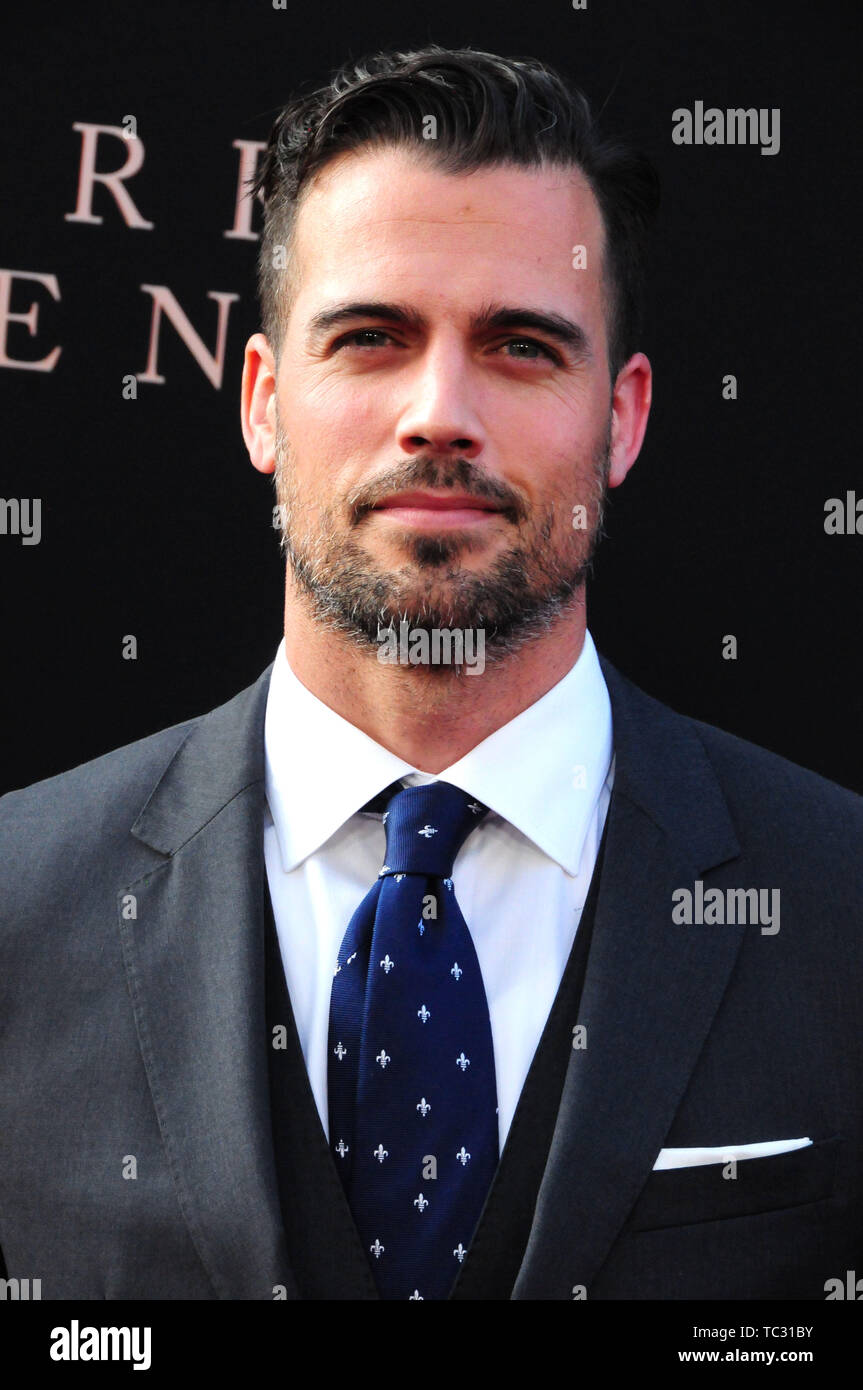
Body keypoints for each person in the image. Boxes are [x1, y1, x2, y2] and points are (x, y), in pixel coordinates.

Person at [0, 45, 860, 1302]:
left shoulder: (839, 907)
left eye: (519, 345)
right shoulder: (16, 907)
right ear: (261, 400)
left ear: (620, 418)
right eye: (368, 337)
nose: (438, 413)